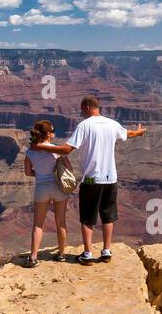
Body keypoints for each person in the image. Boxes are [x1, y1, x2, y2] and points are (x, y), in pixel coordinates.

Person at [30, 96, 145, 263]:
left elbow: (66, 150)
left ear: (88, 107)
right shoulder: (112, 124)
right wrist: (139, 132)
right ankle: (106, 251)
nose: (81, 112)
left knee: (87, 218)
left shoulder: (84, 126)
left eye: (82, 109)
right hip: (111, 179)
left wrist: (39, 146)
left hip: (91, 180)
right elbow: (129, 133)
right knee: (108, 216)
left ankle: (88, 254)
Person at [22, 120, 75, 267]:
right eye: (53, 130)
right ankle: (62, 254)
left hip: (41, 189)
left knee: (38, 225)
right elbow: (69, 169)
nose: (55, 133)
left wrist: (39, 173)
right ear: (49, 134)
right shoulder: (57, 150)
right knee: (61, 222)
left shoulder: (30, 151)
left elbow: (27, 172)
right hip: (58, 188)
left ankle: (33, 257)